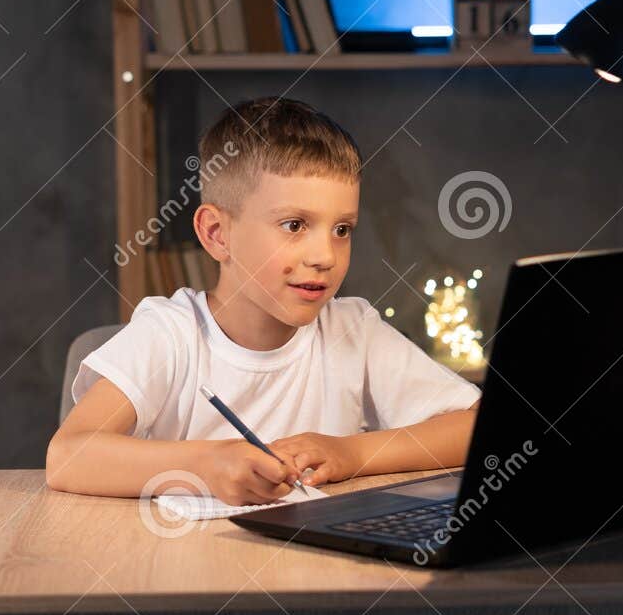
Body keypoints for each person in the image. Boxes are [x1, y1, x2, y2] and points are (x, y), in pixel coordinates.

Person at [47, 97, 480, 505]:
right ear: (217, 234)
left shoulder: (353, 330)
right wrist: (206, 465)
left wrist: (352, 453)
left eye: (342, 230)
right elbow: (68, 456)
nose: (325, 256)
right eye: (294, 225)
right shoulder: (168, 334)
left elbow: (478, 426)